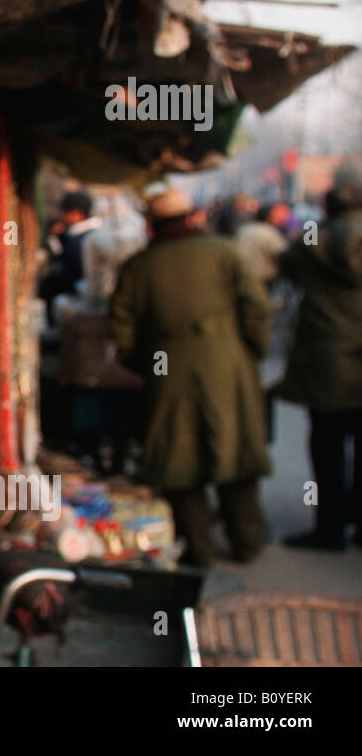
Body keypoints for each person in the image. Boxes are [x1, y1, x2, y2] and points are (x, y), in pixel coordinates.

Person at [109, 188, 273, 567]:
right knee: (236, 454)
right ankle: (247, 541)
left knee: (178, 461)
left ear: (152, 225)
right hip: (228, 362)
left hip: (167, 366)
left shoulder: (140, 266)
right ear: (193, 218)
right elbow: (258, 308)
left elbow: (121, 328)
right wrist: (249, 353)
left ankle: (199, 551)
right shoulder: (225, 252)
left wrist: (147, 366)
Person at [275, 186, 362, 551]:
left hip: (327, 360)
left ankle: (329, 527)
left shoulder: (315, 237)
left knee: (327, 446)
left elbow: (287, 262)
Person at [39, 190, 100, 320]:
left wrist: (40, 286)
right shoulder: (78, 235)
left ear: (78, 214)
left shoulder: (83, 240)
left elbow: (65, 273)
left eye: (65, 212)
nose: (62, 216)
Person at [235, 203, 290, 288]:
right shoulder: (270, 232)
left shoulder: (243, 229)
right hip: (264, 277)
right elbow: (282, 254)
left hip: (243, 274)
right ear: (269, 217)